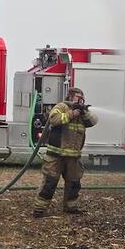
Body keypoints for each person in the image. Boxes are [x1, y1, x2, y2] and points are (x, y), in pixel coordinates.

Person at [33, 87, 98, 218]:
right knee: (50, 183)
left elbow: (93, 121)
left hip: (73, 157)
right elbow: (53, 119)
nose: (81, 100)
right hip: (56, 155)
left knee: (74, 183)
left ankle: (71, 207)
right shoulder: (61, 107)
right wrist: (70, 114)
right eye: (78, 97)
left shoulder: (83, 113)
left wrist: (84, 111)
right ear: (70, 97)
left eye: (82, 97)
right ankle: (39, 209)